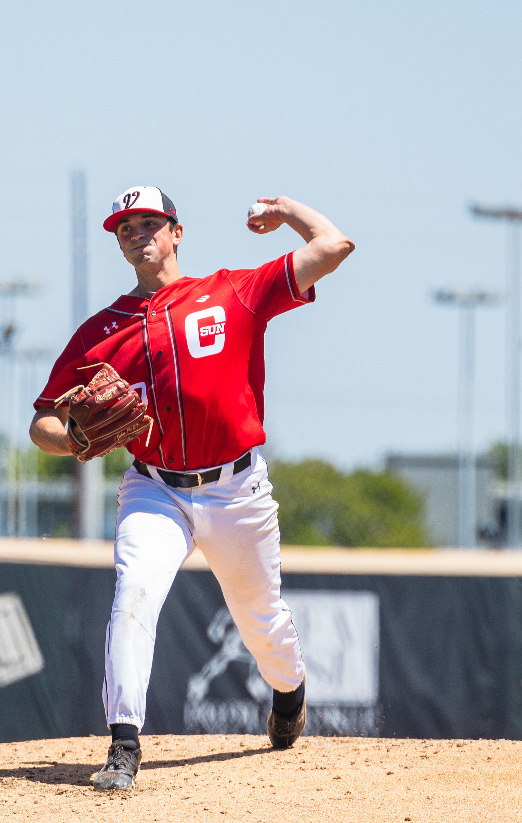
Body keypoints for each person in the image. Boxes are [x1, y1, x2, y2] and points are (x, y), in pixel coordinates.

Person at [31, 187, 355, 790]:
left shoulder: (232, 291)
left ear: (177, 232)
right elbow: (43, 423)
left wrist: (286, 212)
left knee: (260, 620)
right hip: (156, 489)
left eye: (149, 223)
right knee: (134, 596)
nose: (137, 234)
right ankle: (123, 745)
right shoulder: (101, 331)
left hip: (236, 489)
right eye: (125, 228)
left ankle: (289, 694)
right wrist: (75, 438)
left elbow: (333, 247)